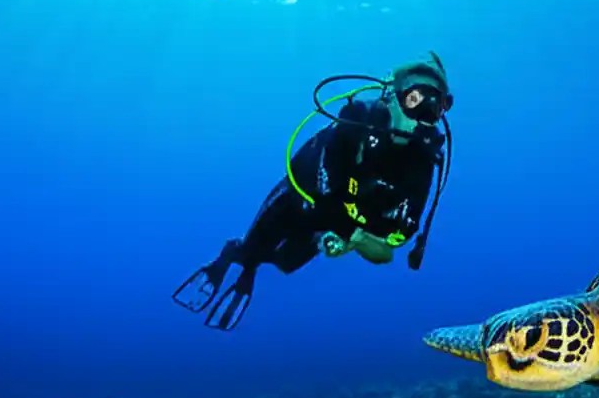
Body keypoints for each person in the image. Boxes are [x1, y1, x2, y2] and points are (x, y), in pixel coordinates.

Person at [172, 52, 454, 331]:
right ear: (391, 95)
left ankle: (249, 269)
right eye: (415, 100)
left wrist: (355, 239)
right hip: (296, 199)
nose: (420, 118)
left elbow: (397, 240)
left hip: (335, 226)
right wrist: (355, 234)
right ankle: (235, 259)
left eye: (434, 107)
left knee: (285, 263)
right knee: (252, 249)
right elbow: (326, 187)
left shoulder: (423, 160)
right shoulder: (355, 121)